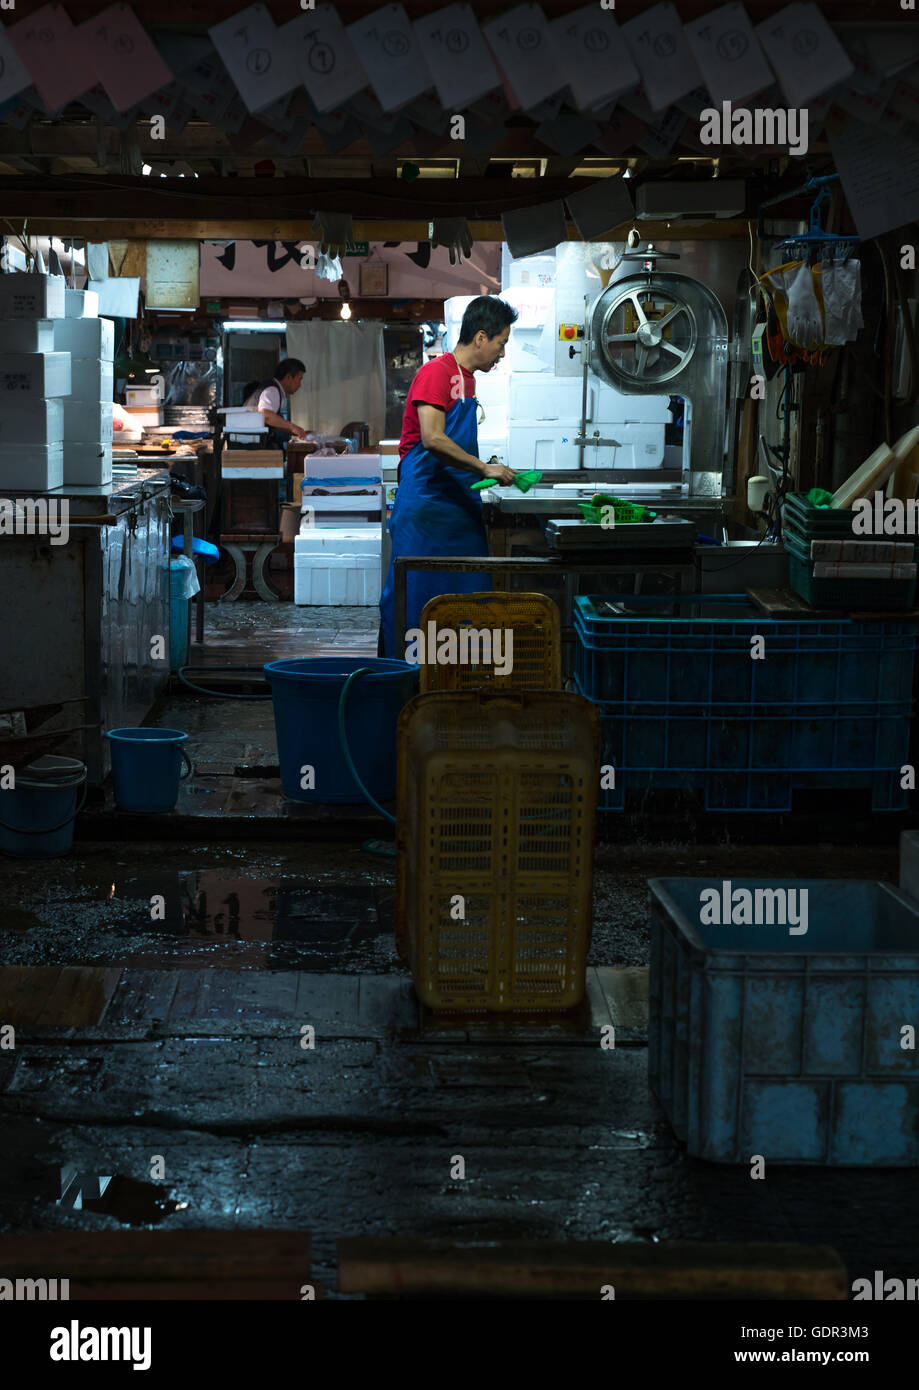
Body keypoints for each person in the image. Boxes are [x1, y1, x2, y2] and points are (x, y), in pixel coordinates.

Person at [379, 296, 518, 658]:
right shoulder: (437, 371)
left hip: (457, 508)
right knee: (417, 599)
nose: (501, 354)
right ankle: (406, 681)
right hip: (427, 509)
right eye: (501, 344)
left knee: (466, 599)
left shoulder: (467, 380)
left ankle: (456, 679)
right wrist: (485, 468)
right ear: (481, 337)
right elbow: (433, 438)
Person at [243, 357, 308, 446]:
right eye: (299, 379)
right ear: (288, 377)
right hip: (248, 443)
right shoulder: (272, 390)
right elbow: (266, 415)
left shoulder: (277, 391)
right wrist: (293, 427)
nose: (300, 385)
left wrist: (299, 432)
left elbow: (276, 423)